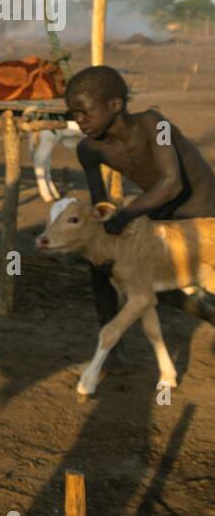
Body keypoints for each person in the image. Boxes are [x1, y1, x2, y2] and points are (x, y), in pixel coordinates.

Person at [65, 64, 215, 330]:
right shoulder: (89, 150)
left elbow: (172, 183)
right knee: (105, 267)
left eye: (85, 112)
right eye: (74, 114)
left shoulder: (157, 124)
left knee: (162, 271)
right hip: (162, 213)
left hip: (203, 209)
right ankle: (113, 355)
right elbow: (102, 206)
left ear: (115, 104)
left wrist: (124, 217)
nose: (80, 121)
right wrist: (99, 240)